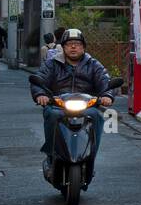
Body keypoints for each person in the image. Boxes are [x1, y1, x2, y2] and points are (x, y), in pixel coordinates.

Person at [30, 29, 114, 180]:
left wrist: (107, 95)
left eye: (77, 44)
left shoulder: (93, 64)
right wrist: (41, 94)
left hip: (87, 107)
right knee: (51, 114)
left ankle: (90, 157)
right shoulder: (52, 63)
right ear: (63, 47)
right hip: (58, 106)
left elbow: (105, 81)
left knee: (97, 116)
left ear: (83, 47)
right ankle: (51, 156)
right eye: (69, 44)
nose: (73, 47)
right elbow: (39, 79)